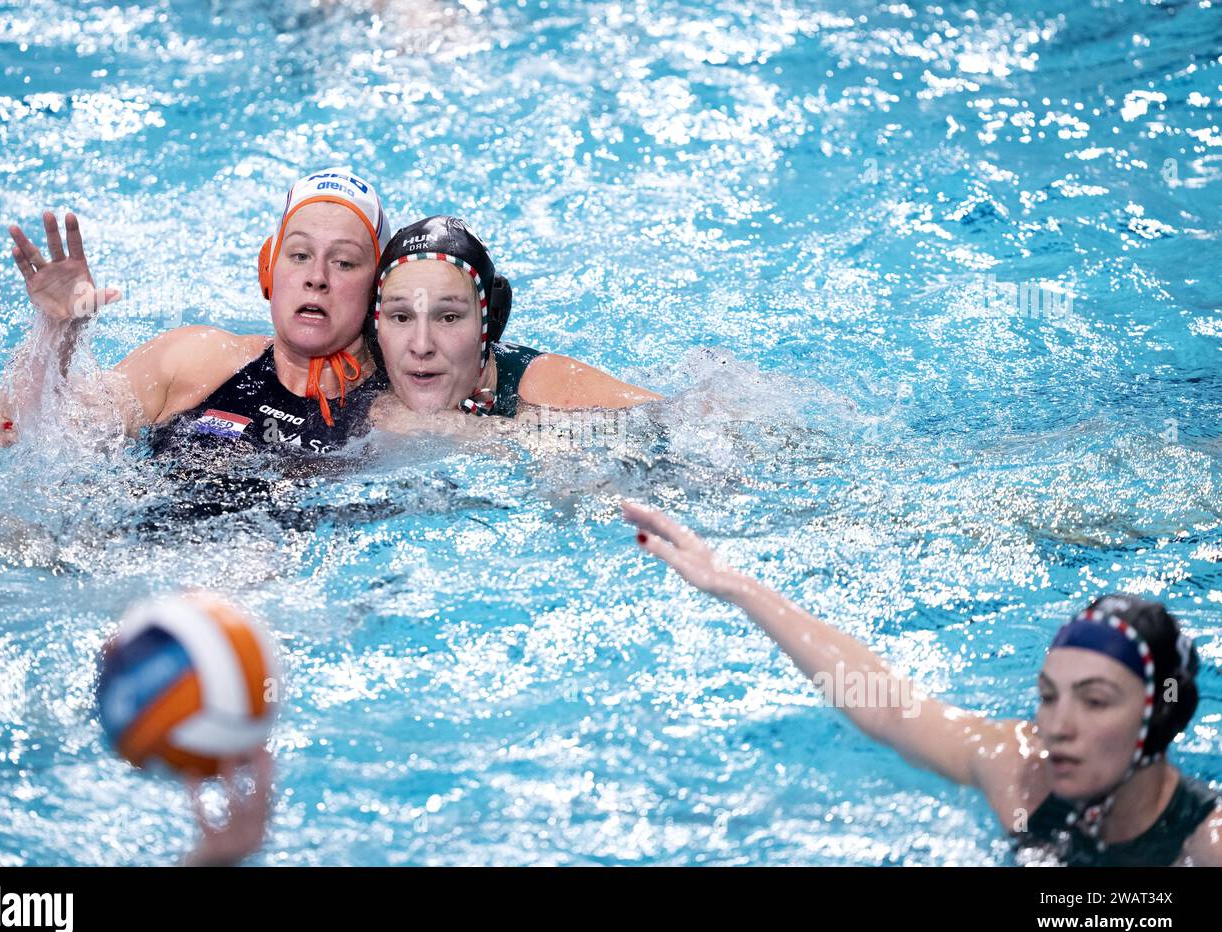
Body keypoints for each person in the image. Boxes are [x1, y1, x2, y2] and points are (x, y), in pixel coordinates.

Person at [621, 501, 1221, 866]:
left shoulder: (1207, 842)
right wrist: (736, 586)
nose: (1055, 725)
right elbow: (886, 705)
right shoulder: (1021, 772)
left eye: (1094, 701)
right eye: (1047, 695)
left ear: (1157, 717)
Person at [0, 167, 392, 456]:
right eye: (298, 255)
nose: (316, 276)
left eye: (344, 262)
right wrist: (56, 332)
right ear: (269, 270)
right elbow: (30, 429)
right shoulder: (197, 360)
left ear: (377, 292)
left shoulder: (393, 411)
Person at [366, 216, 661, 423]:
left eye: (449, 317)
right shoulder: (361, 389)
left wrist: (470, 435)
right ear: (375, 326)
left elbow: (672, 422)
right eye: (401, 317)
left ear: (489, 324)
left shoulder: (544, 389)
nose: (421, 346)